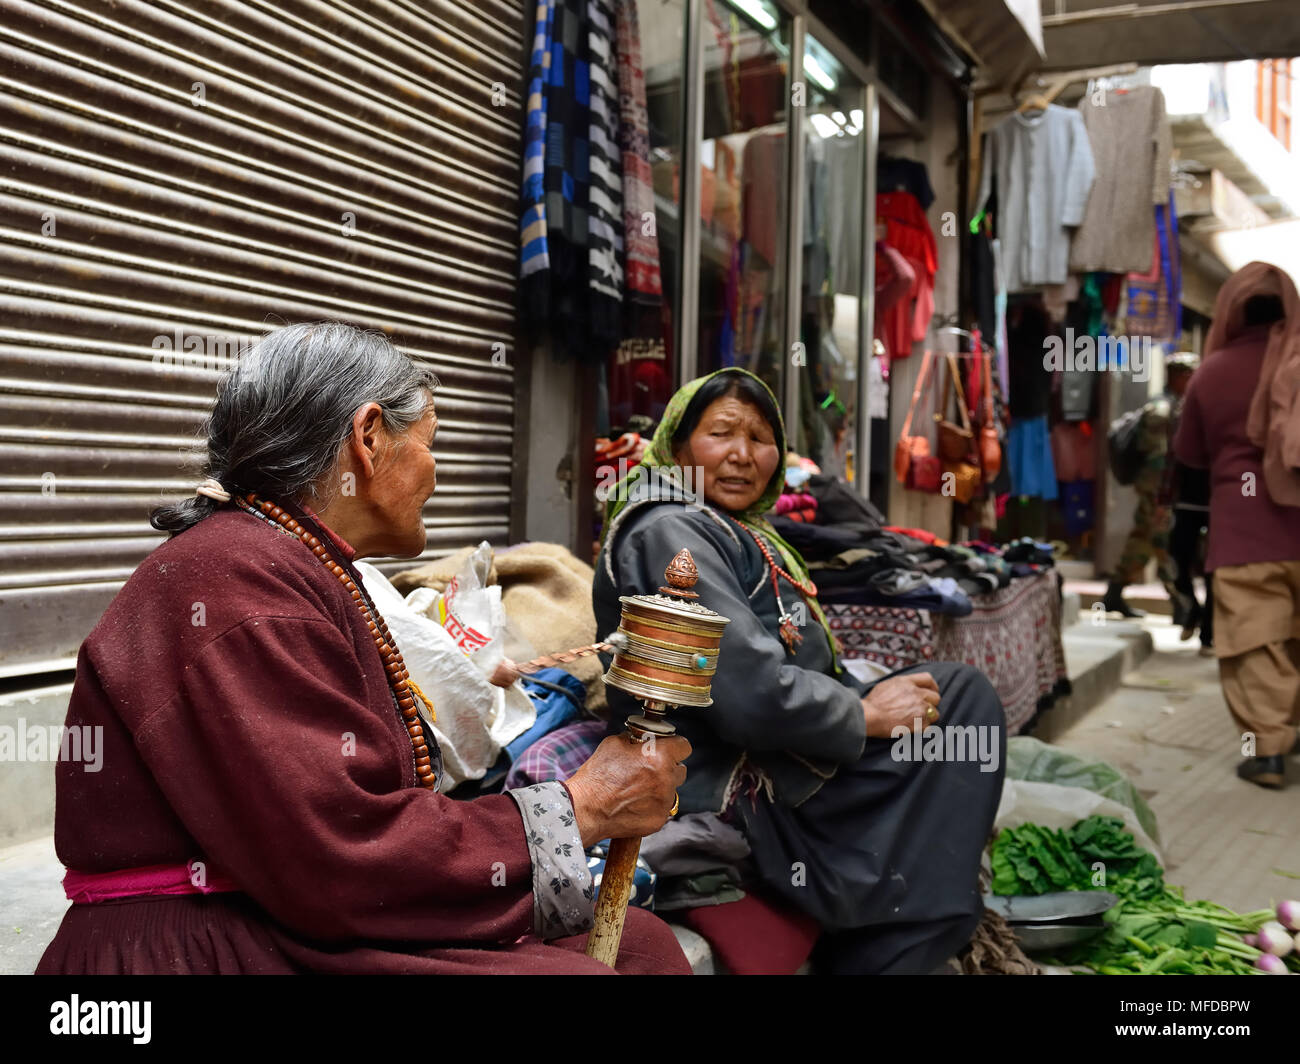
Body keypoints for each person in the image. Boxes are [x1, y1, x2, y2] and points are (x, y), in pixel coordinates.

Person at [37, 322, 691, 974]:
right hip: (204, 944)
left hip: (284, 912)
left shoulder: (290, 562)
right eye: (431, 443)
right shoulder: (235, 578)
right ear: (370, 436)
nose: (437, 472)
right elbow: (336, 852)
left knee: (639, 945)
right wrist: (578, 808)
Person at [593, 367, 1007, 974]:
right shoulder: (670, 526)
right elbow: (745, 691)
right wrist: (862, 712)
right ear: (678, 447)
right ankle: (891, 926)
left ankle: (906, 904)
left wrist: (863, 697)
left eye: (760, 438)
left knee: (944, 698)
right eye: (721, 433)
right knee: (961, 705)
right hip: (733, 769)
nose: (742, 455)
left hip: (776, 740)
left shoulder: (721, 523)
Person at [1174, 262, 1300, 790]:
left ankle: (1267, 751)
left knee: (1255, 642)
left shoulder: (1213, 371)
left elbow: (1191, 455)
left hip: (1246, 531)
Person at [1102, 355, 1197, 620]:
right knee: (1163, 543)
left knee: (1142, 542)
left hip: (1159, 490)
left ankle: (1114, 593)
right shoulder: (1162, 410)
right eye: (1191, 375)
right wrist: (1163, 496)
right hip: (1157, 490)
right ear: (1179, 376)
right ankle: (1180, 603)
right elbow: (1158, 458)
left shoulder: (1173, 406)